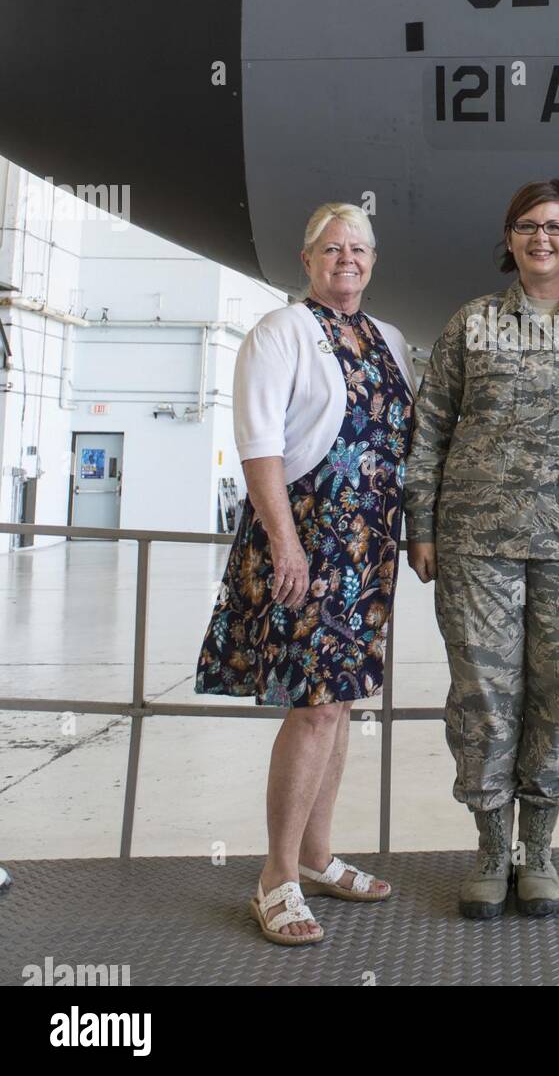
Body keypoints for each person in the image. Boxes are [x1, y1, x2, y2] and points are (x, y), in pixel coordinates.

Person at [405, 180, 559, 918]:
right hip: (477, 541)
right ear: (509, 238)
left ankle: (539, 851)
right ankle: (489, 848)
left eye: (557, 227)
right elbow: (431, 425)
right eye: (529, 226)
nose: (543, 238)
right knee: (483, 696)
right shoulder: (471, 324)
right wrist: (422, 524)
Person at [195, 202, 416, 946]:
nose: (345, 258)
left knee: (343, 700)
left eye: (358, 248)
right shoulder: (280, 331)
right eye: (331, 248)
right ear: (307, 260)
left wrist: (410, 535)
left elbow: (397, 447)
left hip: (368, 550)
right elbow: (258, 445)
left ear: (373, 262)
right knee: (314, 707)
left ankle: (318, 857)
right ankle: (276, 877)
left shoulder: (388, 340)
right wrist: (286, 545)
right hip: (308, 547)